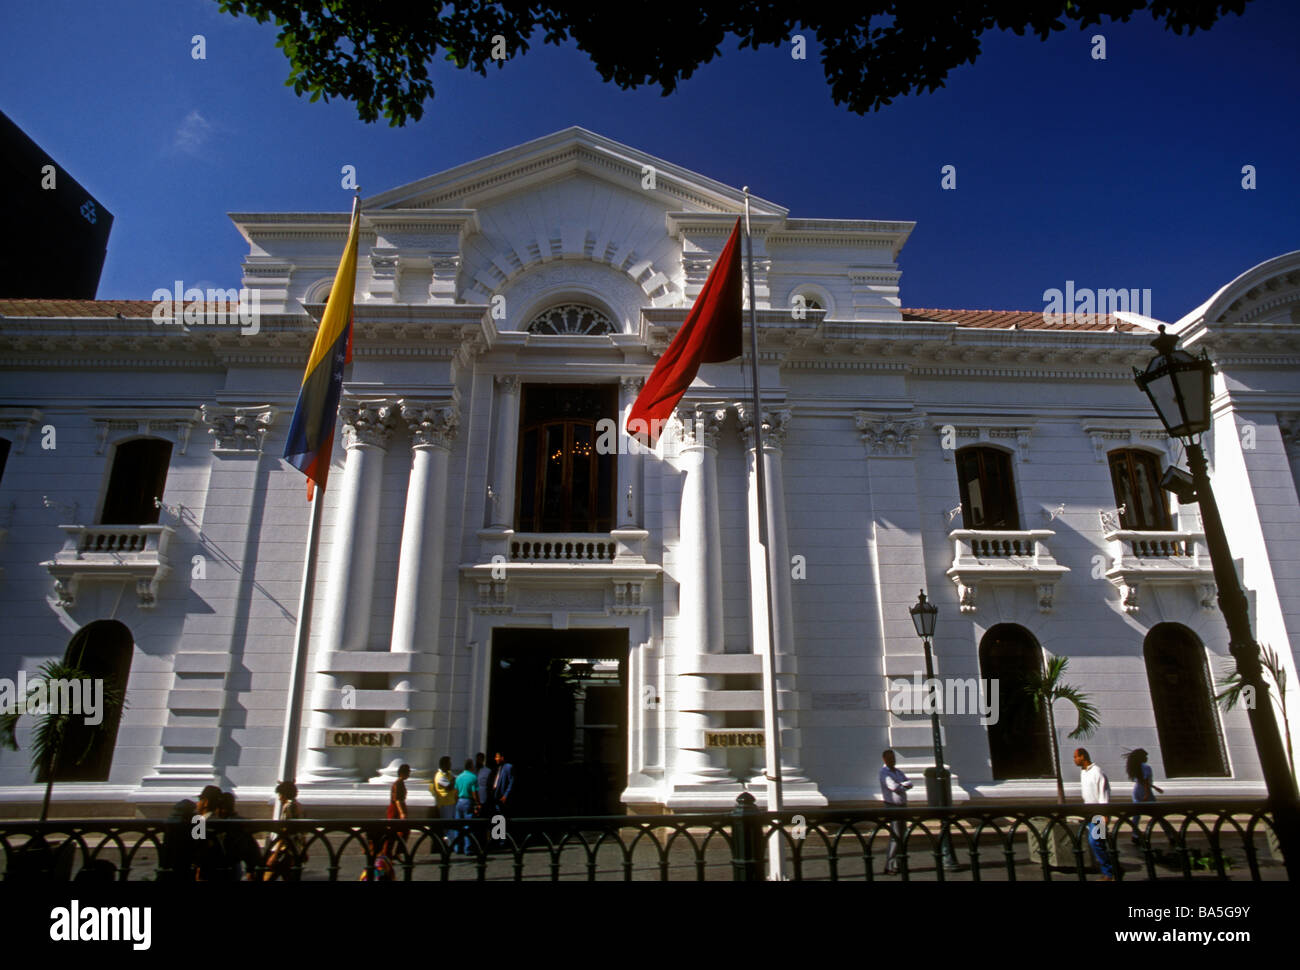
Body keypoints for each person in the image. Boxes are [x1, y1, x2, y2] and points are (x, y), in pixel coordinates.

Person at [1075, 748, 1115, 881]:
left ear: (1083, 757)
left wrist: (1104, 814)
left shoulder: (1097, 772)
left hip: (1099, 814)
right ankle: (1109, 869)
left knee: (1095, 842)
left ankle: (1109, 872)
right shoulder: (1083, 772)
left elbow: (1104, 793)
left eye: (1076, 757)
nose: (1074, 760)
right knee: (1098, 843)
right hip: (1089, 814)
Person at [879, 749, 912, 875]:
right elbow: (893, 787)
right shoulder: (884, 773)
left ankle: (900, 864)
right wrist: (903, 786)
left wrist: (901, 786)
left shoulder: (898, 772)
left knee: (902, 836)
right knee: (895, 836)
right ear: (884, 759)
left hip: (902, 807)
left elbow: (910, 783)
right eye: (890, 758)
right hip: (892, 807)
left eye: (893, 758)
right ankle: (890, 865)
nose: (893, 760)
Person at [266, 780, 307, 881]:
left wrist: (275, 854)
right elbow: (303, 832)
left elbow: (284, 831)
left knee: (267, 877)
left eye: (280, 795)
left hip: (285, 850)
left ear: (284, 794)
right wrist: (304, 849)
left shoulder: (288, 807)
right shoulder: (299, 806)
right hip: (296, 850)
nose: (279, 798)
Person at [1125, 748, 1164, 845]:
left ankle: (1135, 835)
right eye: (1145, 756)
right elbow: (1146, 782)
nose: (1147, 758)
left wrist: (1155, 787)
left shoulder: (1136, 767)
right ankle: (1170, 834)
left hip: (1137, 791)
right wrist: (1147, 793)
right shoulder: (1146, 767)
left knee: (1136, 815)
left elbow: (1142, 781)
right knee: (1158, 814)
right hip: (1145, 791)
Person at [383, 764, 411, 858]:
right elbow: (397, 800)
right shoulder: (398, 783)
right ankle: (389, 854)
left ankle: (395, 853)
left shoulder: (401, 783)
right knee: (394, 832)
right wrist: (402, 813)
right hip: (395, 810)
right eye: (408, 772)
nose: (409, 773)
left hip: (398, 809)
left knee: (402, 831)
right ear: (403, 773)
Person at [453, 758, 480, 854]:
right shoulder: (473, 777)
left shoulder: (459, 777)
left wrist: (456, 801)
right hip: (468, 802)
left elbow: (455, 792)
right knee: (468, 826)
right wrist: (477, 803)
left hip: (459, 801)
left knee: (458, 825)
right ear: (471, 766)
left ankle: (457, 847)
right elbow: (474, 792)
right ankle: (467, 848)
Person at [431, 756, 457, 848]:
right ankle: (446, 847)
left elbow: (455, 780)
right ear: (444, 765)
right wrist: (454, 780)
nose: (451, 765)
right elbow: (449, 786)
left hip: (451, 802)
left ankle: (451, 844)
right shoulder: (439, 776)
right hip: (444, 804)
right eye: (449, 763)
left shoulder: (448, 774)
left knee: (451, 824)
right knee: (446, 826)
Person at [492, 751, 515, 818]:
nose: (495, 759)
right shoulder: (498, 768)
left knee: (503, 816)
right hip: (496, 796)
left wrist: (505, 795)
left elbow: (511, 782)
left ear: (502, 758)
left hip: (503, 797)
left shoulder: (508, 767)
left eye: (497, 757)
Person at [475, 752, 493, 818]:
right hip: (473, 800)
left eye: (480, 759)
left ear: (483, 760)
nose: (478, 761)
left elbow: (489, 786)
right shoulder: (472, 770)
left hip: (483, 799)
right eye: (477, 759)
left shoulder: (488, 771)